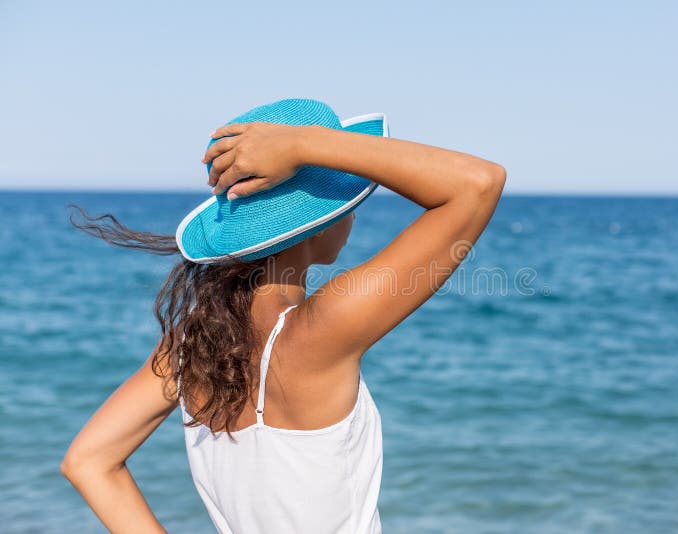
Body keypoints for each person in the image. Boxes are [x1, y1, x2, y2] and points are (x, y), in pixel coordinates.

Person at [60, 107, 506, 533]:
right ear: (319, 222)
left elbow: (88, 461)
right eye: (345, 200)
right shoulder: (323, 328)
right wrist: (303, 145)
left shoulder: (190, 344)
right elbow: (477, 184)